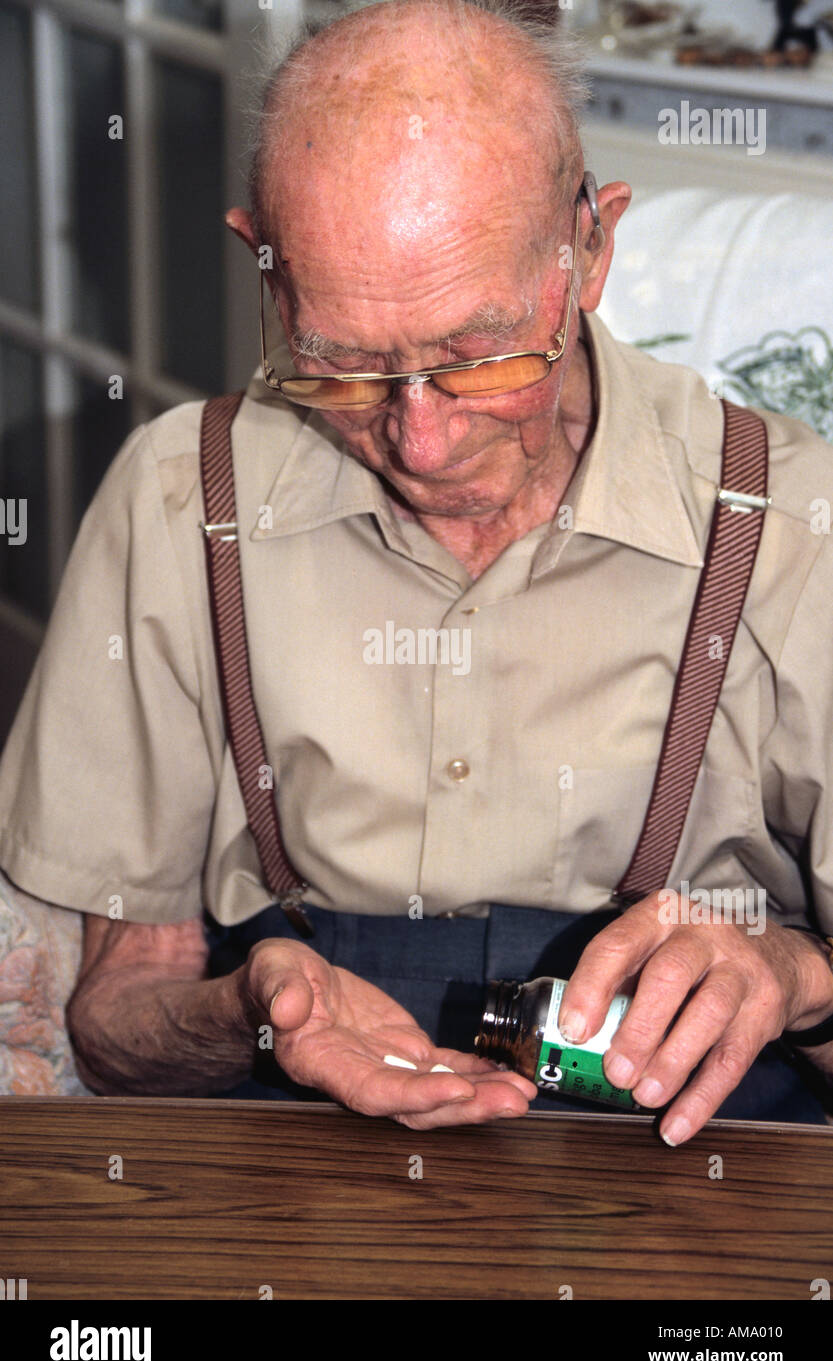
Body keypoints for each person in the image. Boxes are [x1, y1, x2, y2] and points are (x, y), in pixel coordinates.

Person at [1, 0, 832, 1142]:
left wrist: (791, 974)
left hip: (700, 1180)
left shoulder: (794, 527)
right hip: (292, 1170)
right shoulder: (178, 502)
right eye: (339, 365)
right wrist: (249, 1015)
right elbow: (111, 1023)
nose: (419, 439)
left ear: (590, 245)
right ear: (266, 268)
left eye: (475, 356)